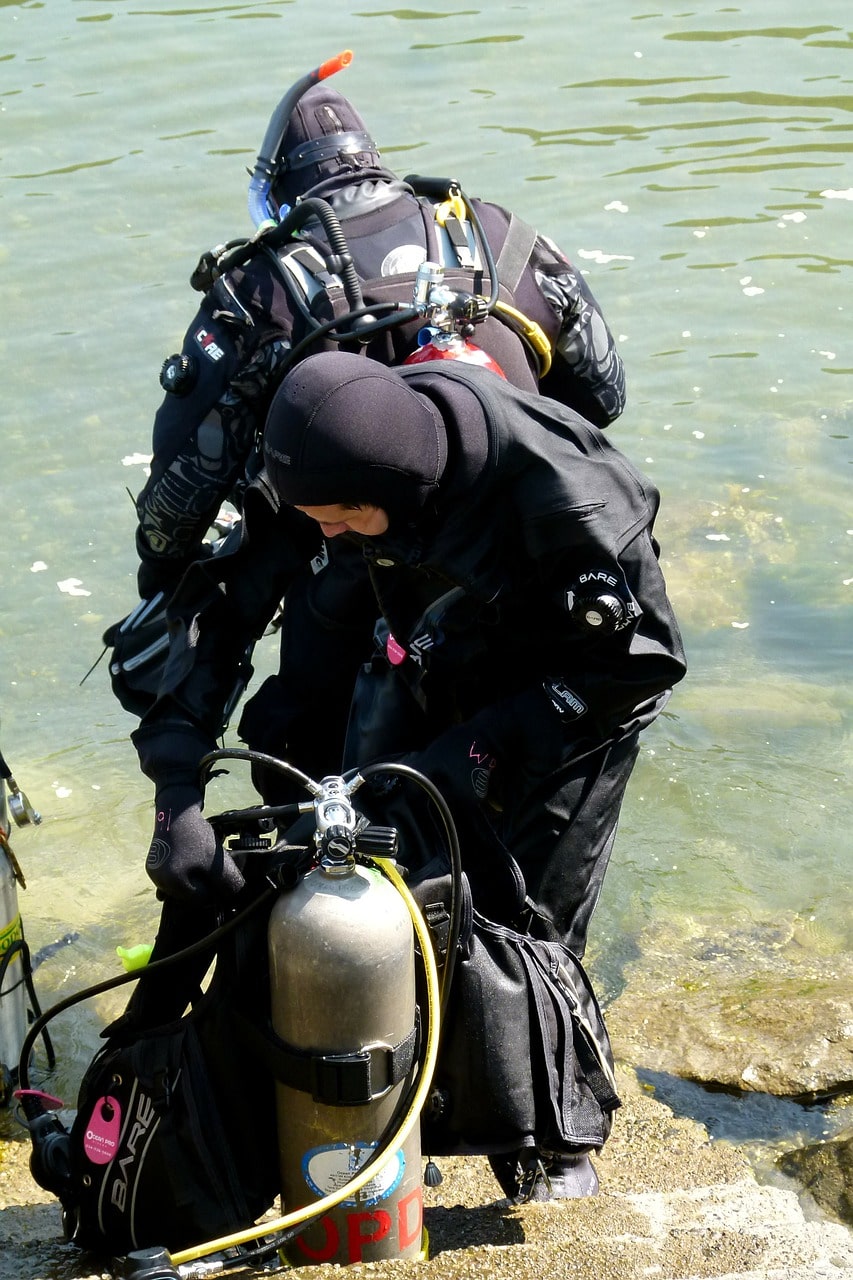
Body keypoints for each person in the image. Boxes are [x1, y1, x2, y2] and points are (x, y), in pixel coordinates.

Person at [130, 350, 686, 1202]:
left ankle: (548, 1143)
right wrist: (178, 795)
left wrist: (488, 748)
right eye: (313, 520)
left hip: (569, 698)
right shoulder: (327, 470)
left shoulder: (562, 496)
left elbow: (641, 662)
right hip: (432, 646)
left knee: (519, 924)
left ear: (390, 493)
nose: (322, 535)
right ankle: (393, 1106)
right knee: (358, 857)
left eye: (339, 521)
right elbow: (227, 614)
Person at [130, 72, 627, 606]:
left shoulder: (259, 290)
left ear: (278, 194)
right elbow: (604, 397)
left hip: (360, 580)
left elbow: (180, 500)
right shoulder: (498, 233)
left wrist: (161, 585)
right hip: (527, 530)